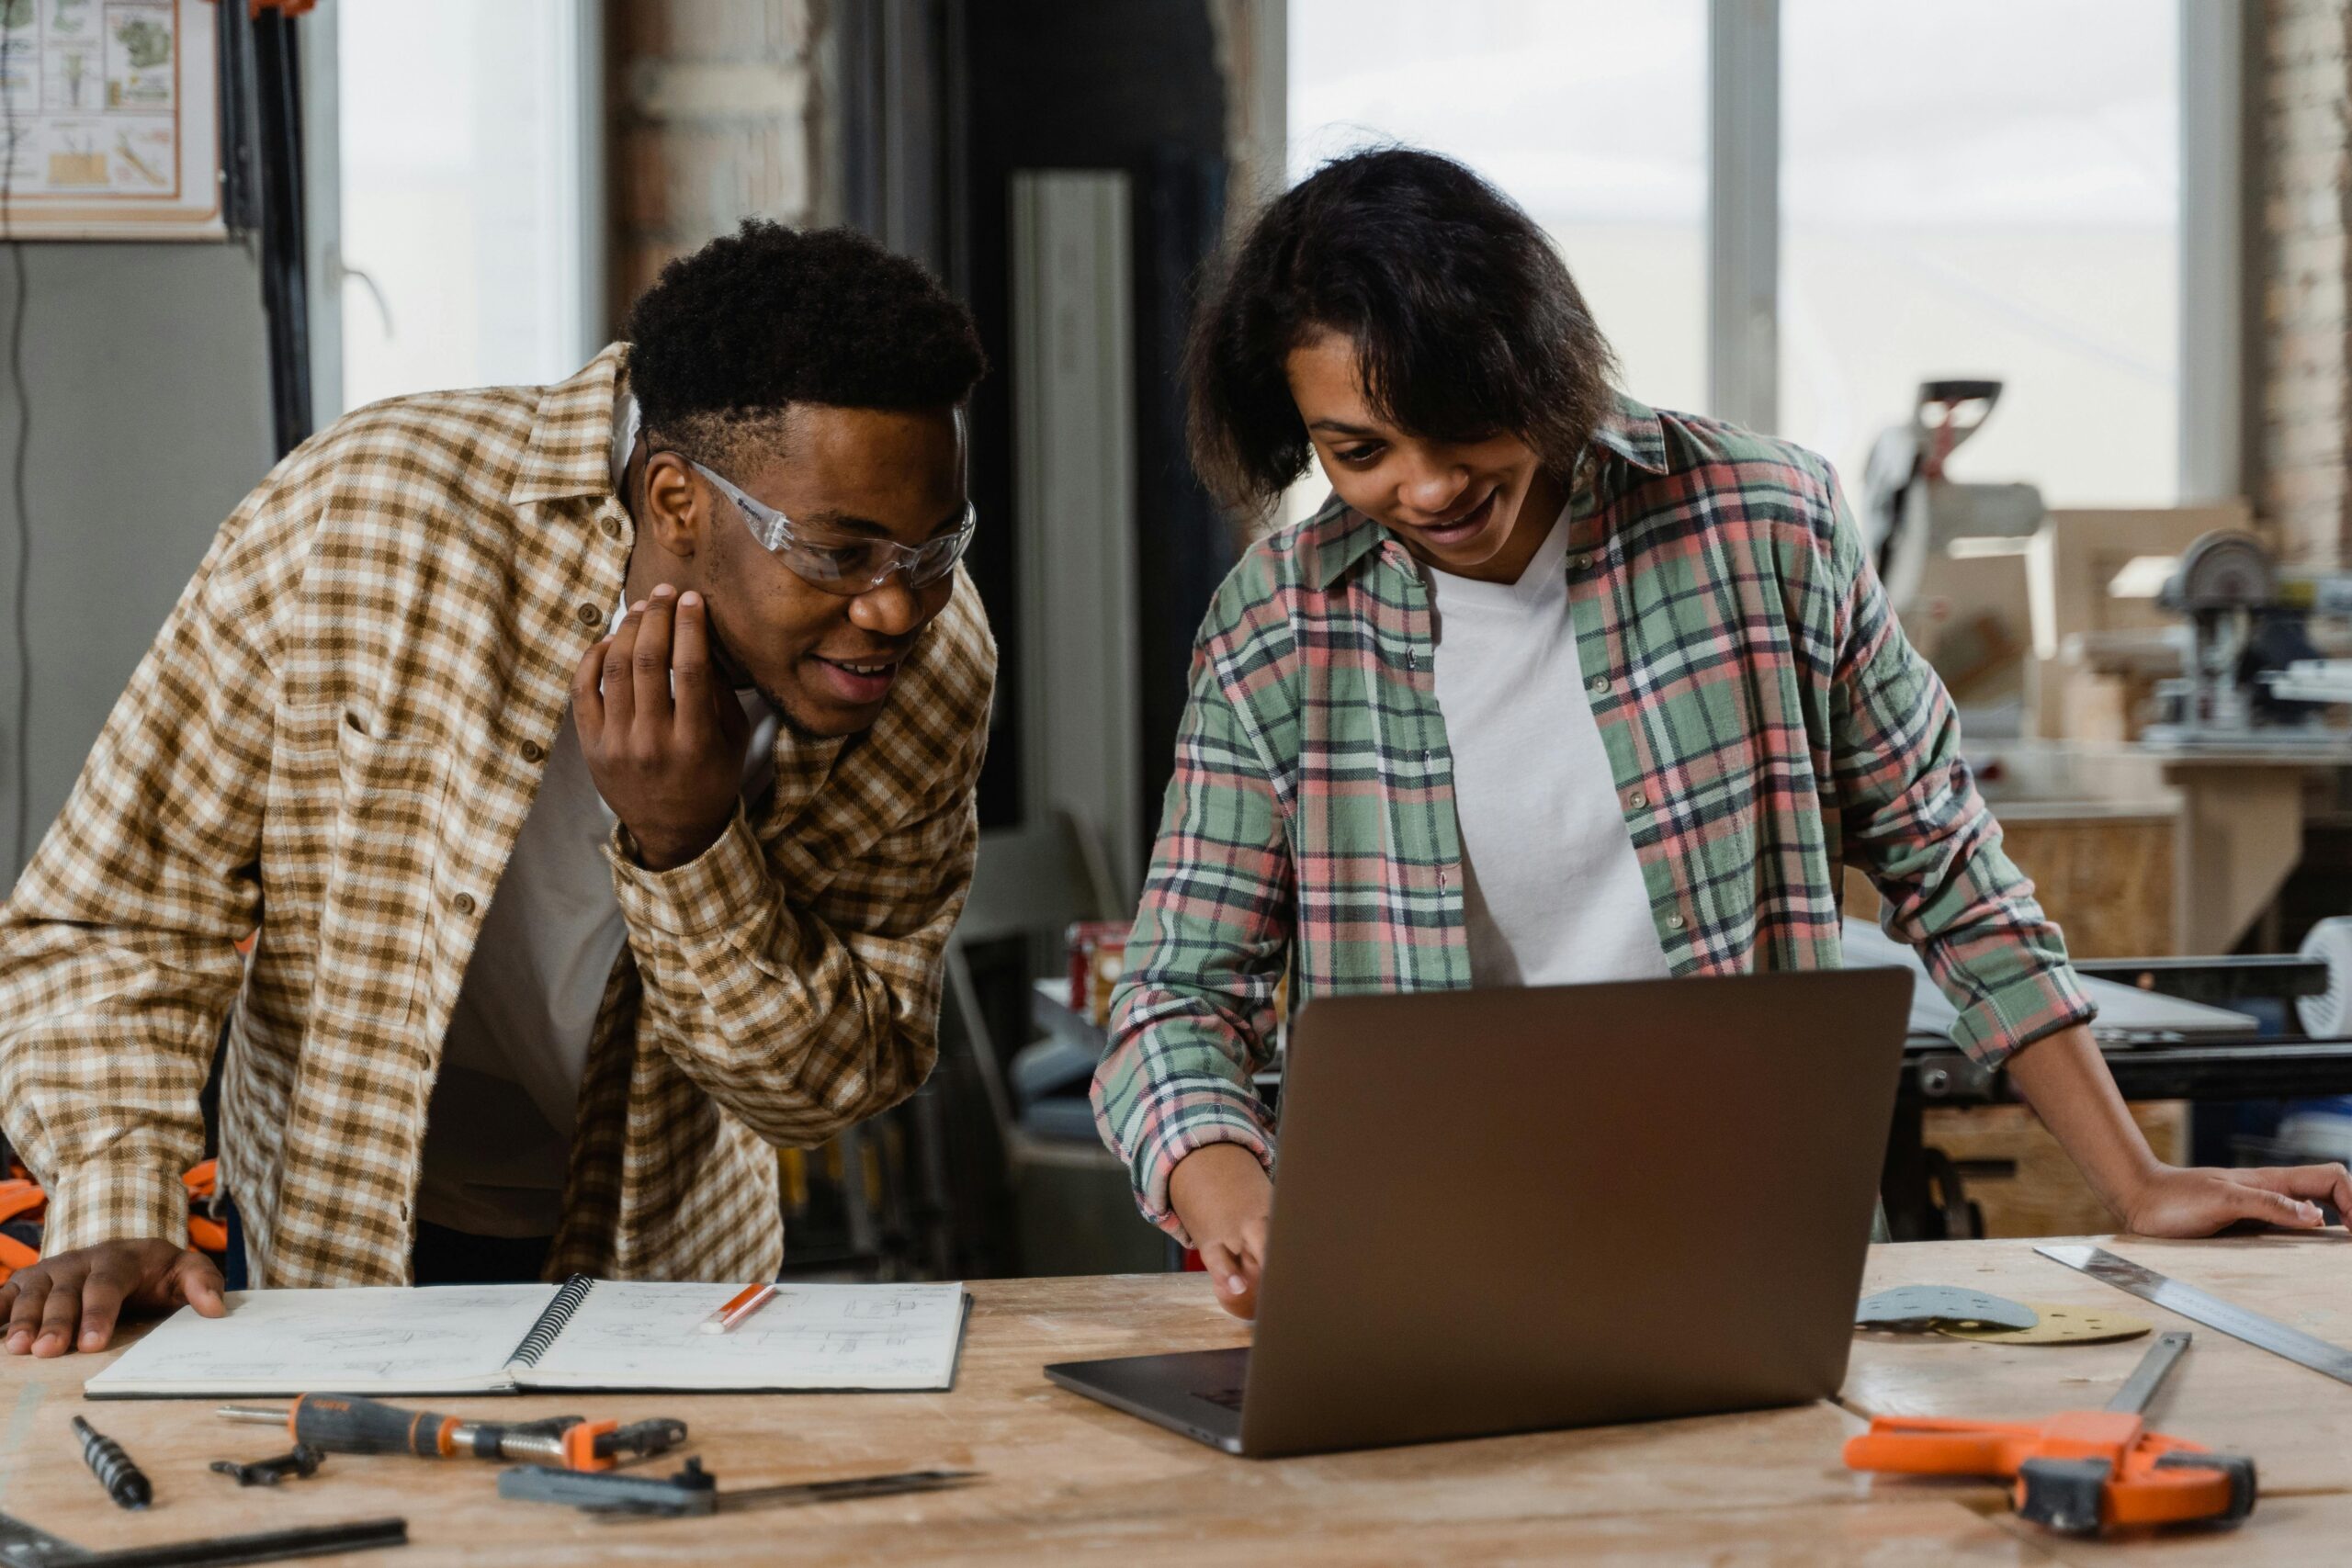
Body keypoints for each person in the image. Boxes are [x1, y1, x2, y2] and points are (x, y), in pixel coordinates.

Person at [1092, 148, 2352, 1319]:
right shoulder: (1281, 620)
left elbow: (1949, 869)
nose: (1425, 487)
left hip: (1748, 1239)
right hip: (1420, 1255)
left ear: (1534, 355)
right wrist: (1233, 1195)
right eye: (1358, 450)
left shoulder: (1764, 525)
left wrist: (2136, 1184)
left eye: (1461, 419)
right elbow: (1175, 996)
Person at [0, 221, 996, 1354]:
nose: (897, 609)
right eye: (840, 551)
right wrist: (122, 1203)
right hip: (323, 1258)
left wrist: (691, 846)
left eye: (935, 545)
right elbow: (122, 913)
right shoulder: (364, 513)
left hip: (668, 1281)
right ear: (676, 500)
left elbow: (828, 1084)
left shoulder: (930, 669)